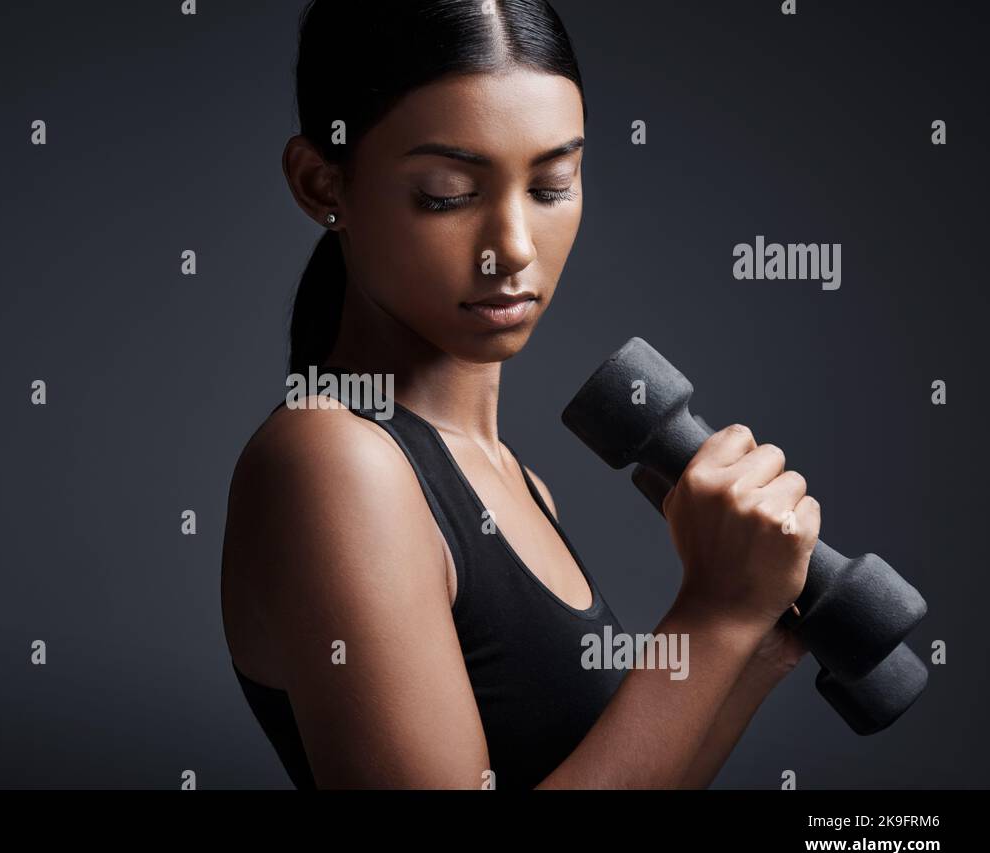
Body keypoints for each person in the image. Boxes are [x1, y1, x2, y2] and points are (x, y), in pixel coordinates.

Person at [219, 0, 820, 789]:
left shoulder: (513, 480)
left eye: (552, 183)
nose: (514, 246)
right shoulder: (333, 463)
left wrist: (756, 639)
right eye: (446, 192)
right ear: (320, 181)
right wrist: (714, 616)